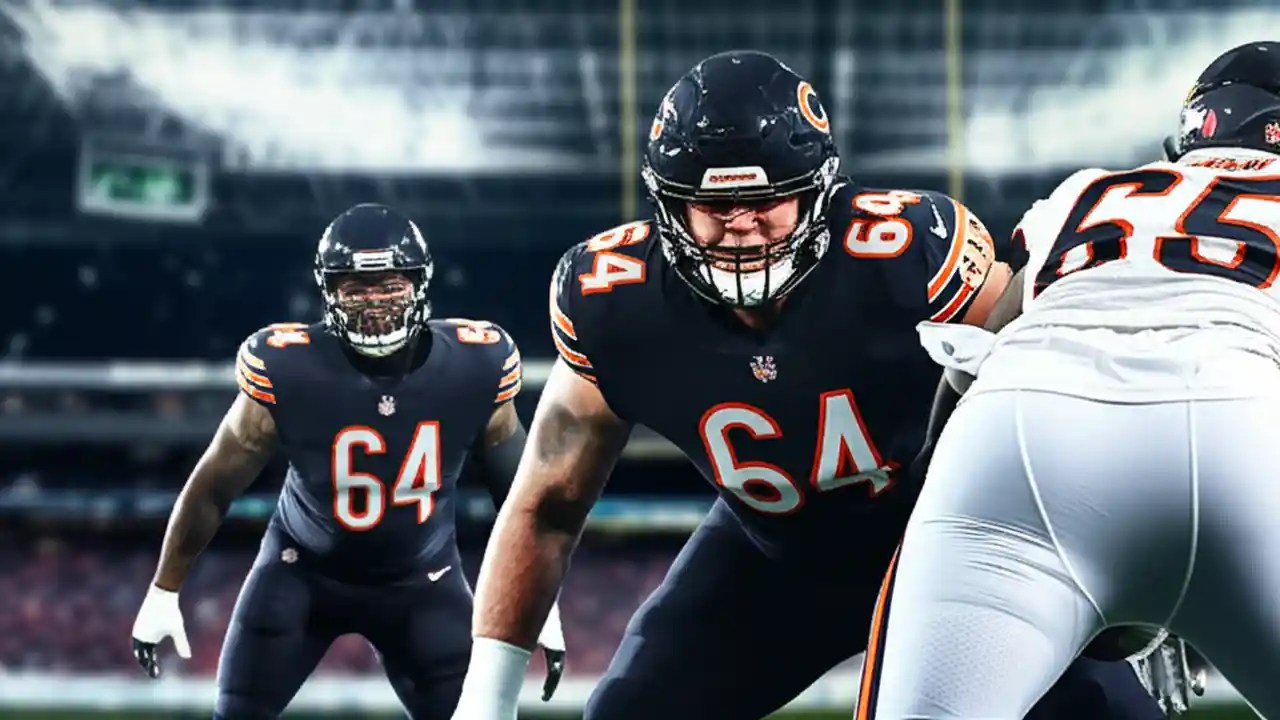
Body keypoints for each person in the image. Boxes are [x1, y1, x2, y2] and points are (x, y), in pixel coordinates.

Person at [450, 50, 1161, 720]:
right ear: (668, 205)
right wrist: (483, 698)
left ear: (820, 194)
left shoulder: (909, 253)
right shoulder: (612, 298)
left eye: (768, 202)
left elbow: (1058, 397)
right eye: (711, 205)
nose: (741, 227)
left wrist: (1128, 567)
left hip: (956, 554)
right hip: (769, 562)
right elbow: (547, 503)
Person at [859, 41, 1280, 719]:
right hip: (1240, 419)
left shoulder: (1087, 190)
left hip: (1016, 422)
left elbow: (976, 356)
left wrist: (943, 504)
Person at [128, 203, 565, 720]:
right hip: (301, 576)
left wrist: (540, 600)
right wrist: (164, 587)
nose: (374, 302)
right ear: (328, 291)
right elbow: (214, 486)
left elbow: (519, 494)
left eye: (389, 285)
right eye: (355, 287)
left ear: (420, 284)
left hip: (422, 584)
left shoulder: (477, 362)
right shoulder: (287, 366)